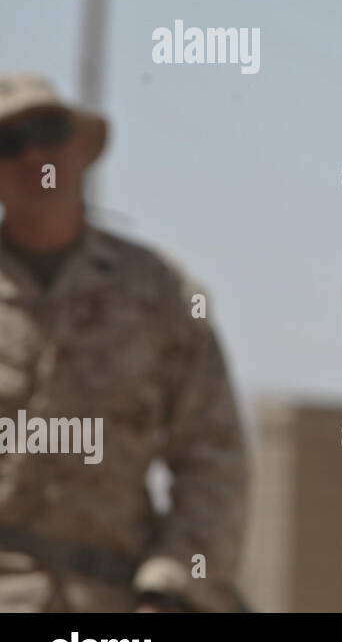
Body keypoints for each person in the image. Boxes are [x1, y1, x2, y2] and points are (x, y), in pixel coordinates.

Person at [0, 73, 248, 611]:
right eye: (9, 143)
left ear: (79, 147)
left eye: (48, 131)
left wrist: (173, 591)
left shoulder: (160, 295)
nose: (32, 156)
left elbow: (215, 460)